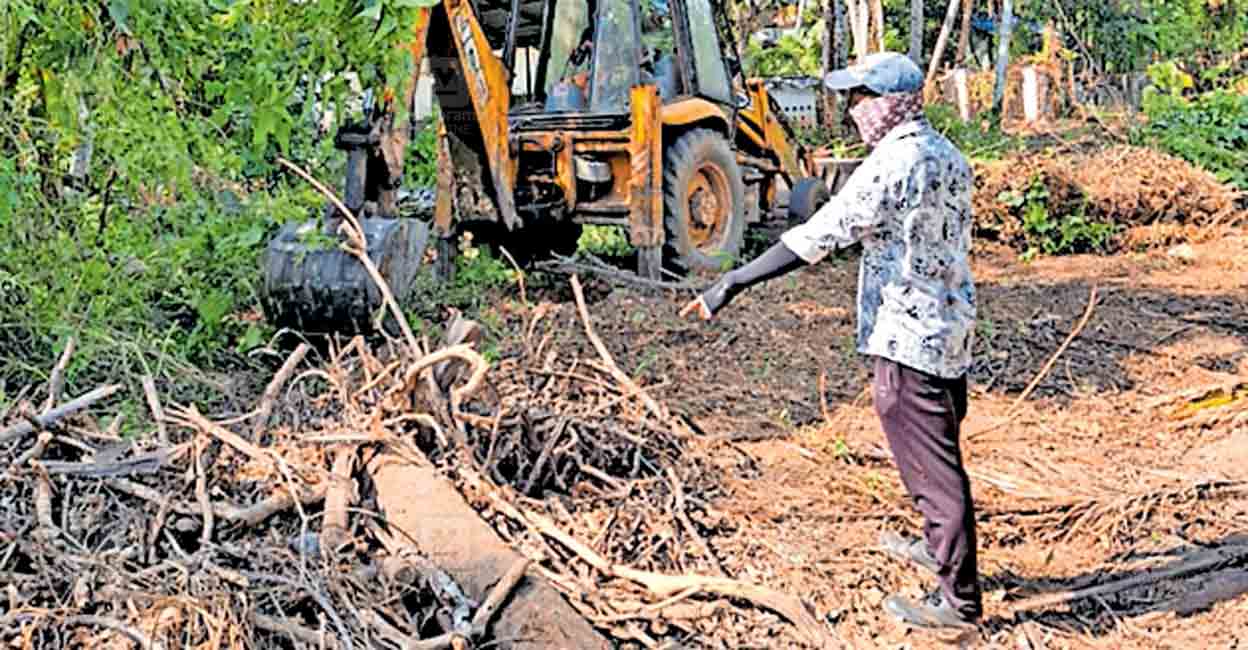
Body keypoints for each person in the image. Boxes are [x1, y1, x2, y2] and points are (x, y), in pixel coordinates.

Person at [678, 52, 982, 630]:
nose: (853, 110)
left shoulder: (889, 163)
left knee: (932, 467)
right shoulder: (948, 154)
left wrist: (733, 281)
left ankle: (959, 603)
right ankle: (936, 545)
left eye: (861, 99)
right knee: (940, 450)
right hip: (950, 328)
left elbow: (818, 235)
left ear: (892, 103)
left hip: (907, 336)